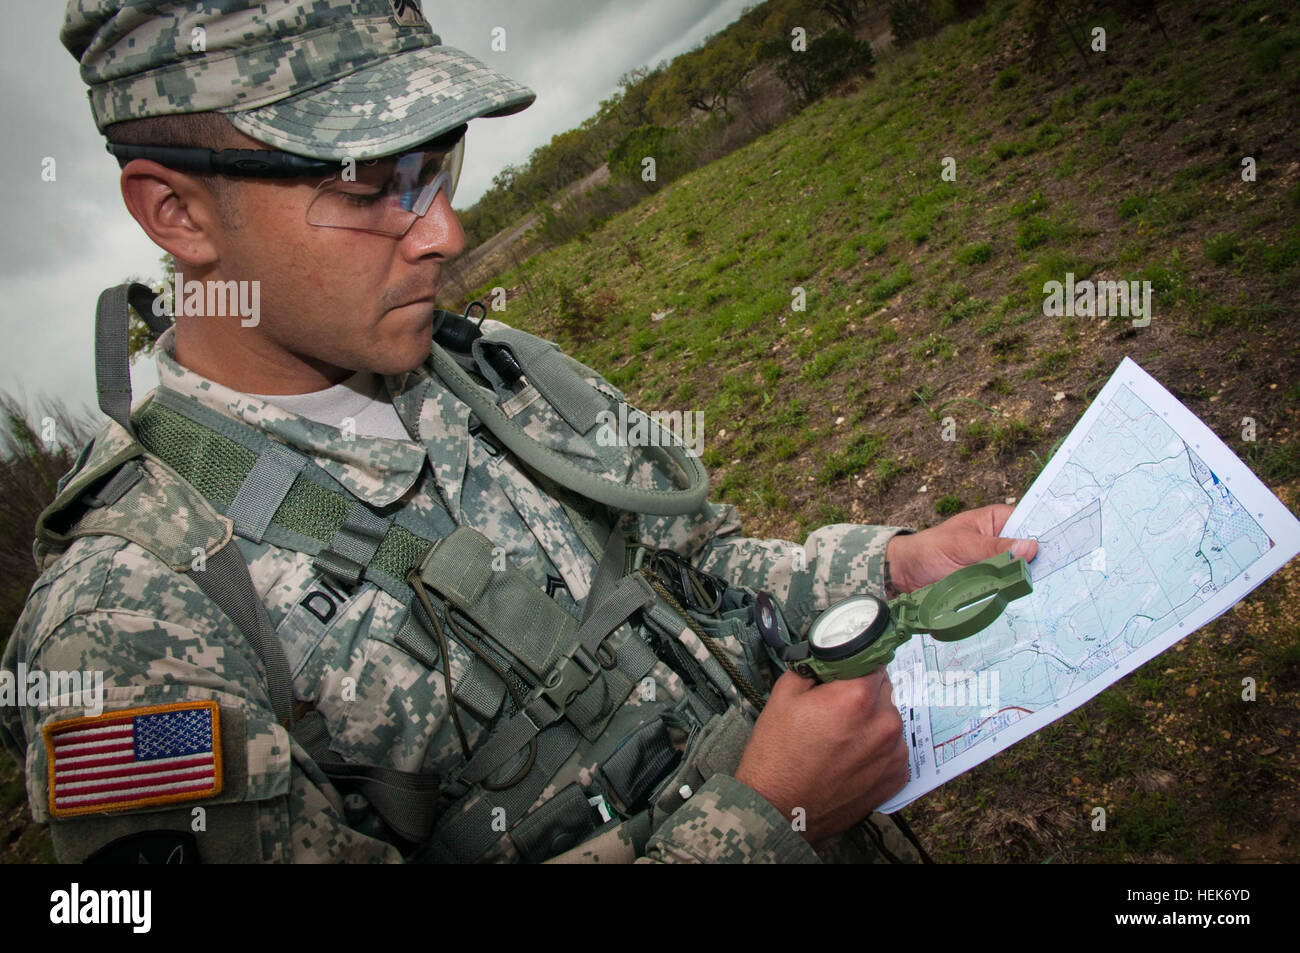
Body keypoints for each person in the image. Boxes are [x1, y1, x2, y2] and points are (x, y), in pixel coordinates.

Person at [1, 0, 1036, 863]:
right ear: (177, 213)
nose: (444, 229)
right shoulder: (126, 636)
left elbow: (696, 567)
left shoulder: (491, 367)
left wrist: (882, 571)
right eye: (368, 184)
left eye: (438, 162)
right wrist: (761, 819)